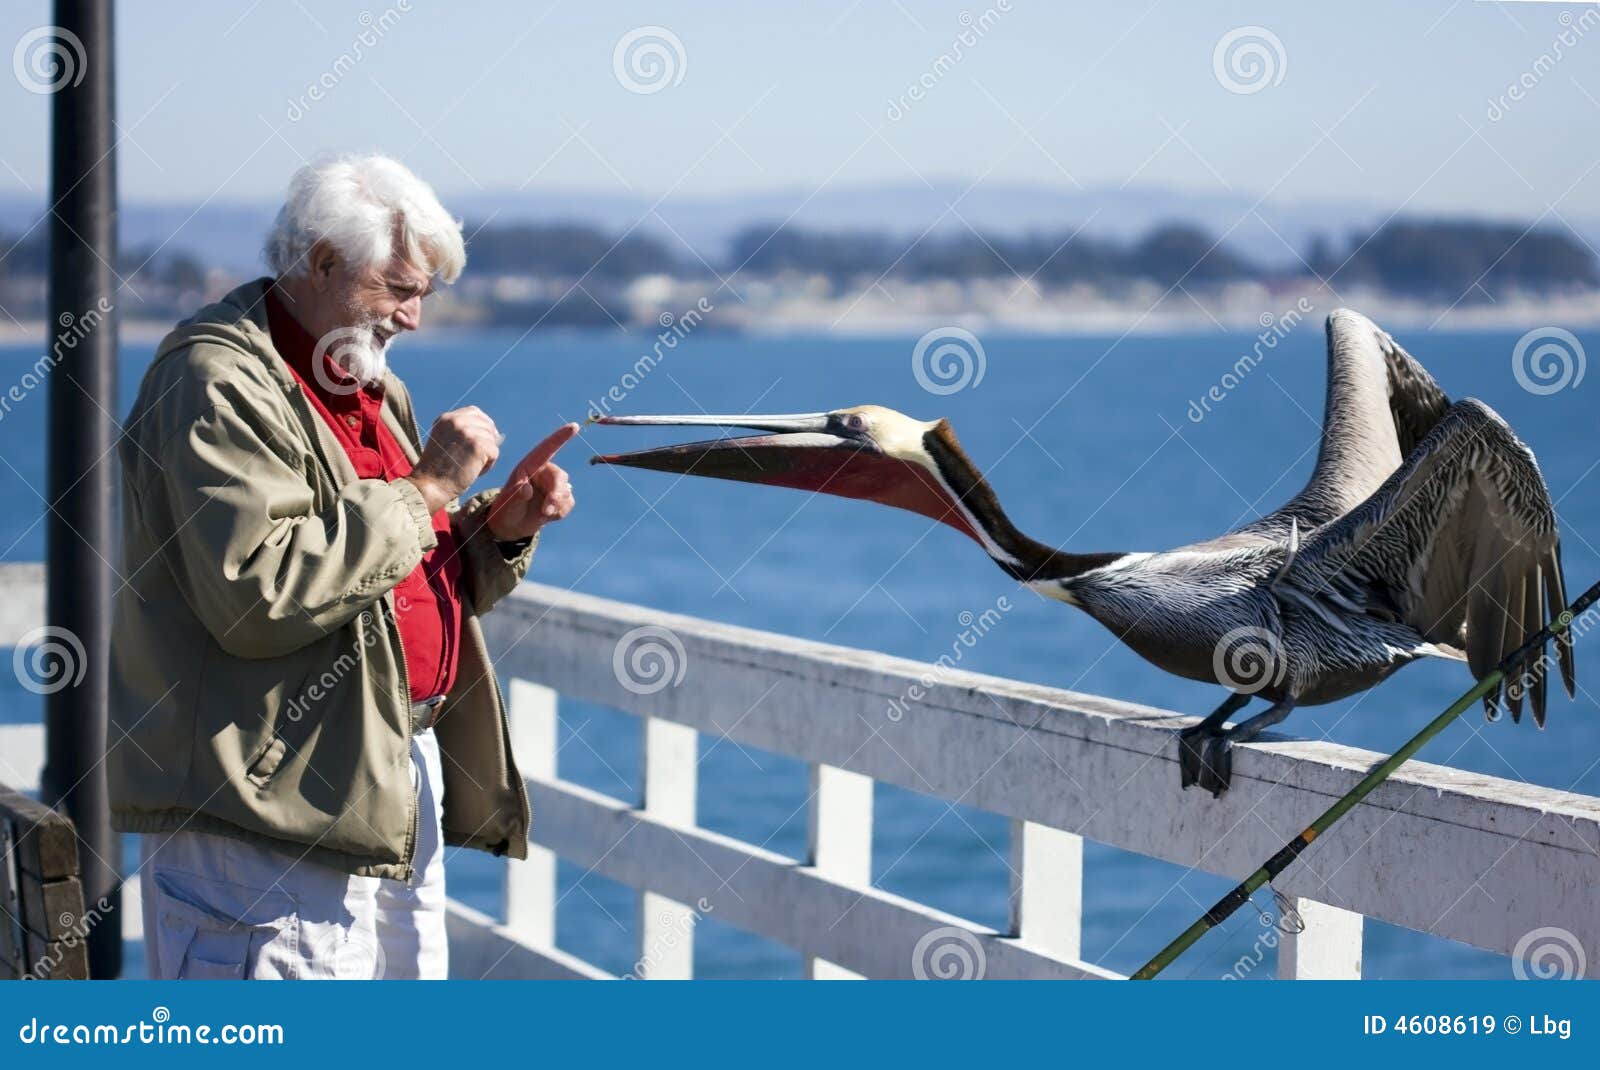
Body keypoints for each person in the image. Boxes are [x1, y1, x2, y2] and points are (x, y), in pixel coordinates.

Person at [108, 154, 576, 979]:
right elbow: (262, 593)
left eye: (424, 292)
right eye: (399, 288)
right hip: (263, 814)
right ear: (323, 263)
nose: (415, 317)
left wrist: (491, 533)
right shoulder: (215, 382)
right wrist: (427, 484)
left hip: (376, 779)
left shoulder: (361, 380)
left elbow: (381, 569)